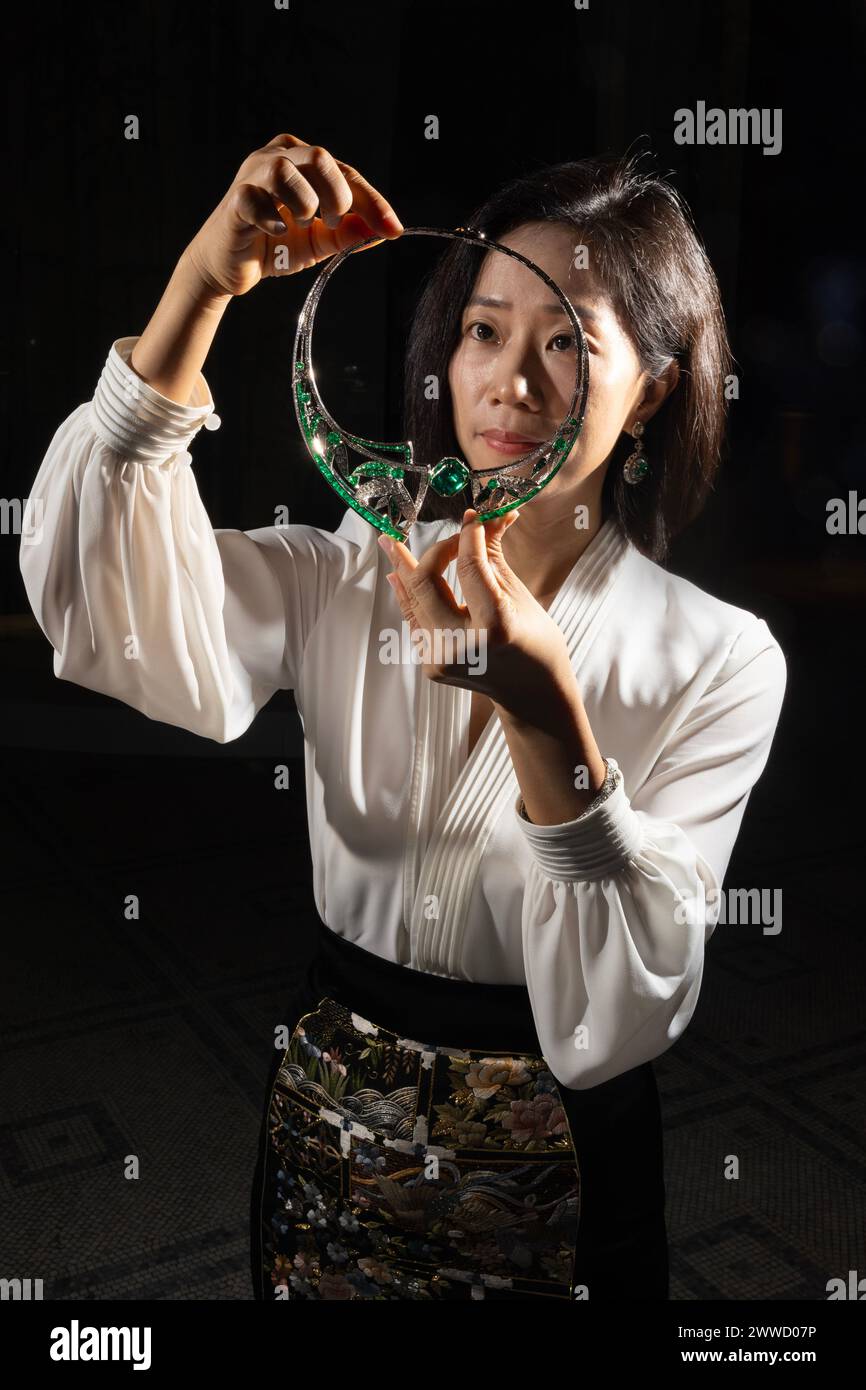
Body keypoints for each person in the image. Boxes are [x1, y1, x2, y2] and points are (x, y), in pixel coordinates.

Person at [19, 134, 787, 1302]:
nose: (507, 383)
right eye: (482, 329)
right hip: (327, 1125)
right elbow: (103, 606)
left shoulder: (719, 660)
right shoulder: (347, 572)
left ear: (658, 388)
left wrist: (543, 717)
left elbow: (621, 1014)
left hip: (555, 1174)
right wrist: (202, 283)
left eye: (566, 343)